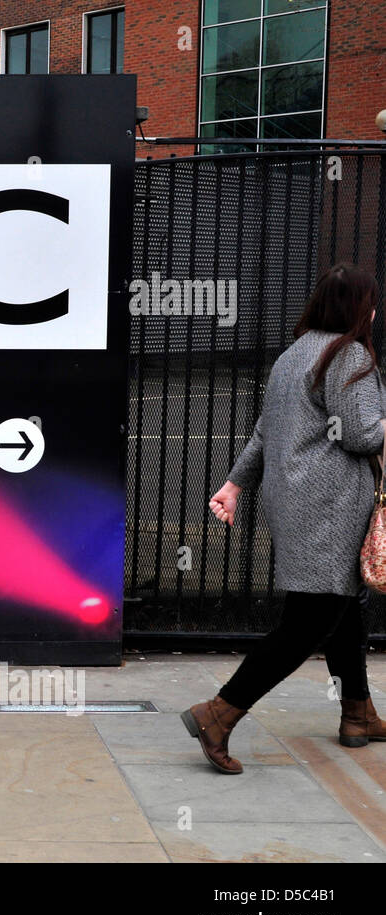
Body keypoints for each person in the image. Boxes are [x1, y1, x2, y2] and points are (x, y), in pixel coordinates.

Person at [185, 263, 386, 774]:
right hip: (331, 505)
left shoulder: (294, 353)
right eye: (371, 302)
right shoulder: (348, 355)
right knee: (310, 621)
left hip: (295, 502)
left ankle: (358, 712)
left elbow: (264, 432)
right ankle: (219, 713)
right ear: (359, 309)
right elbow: (361, 436)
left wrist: (234, 485)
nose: (375, 311)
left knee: (342, 608)